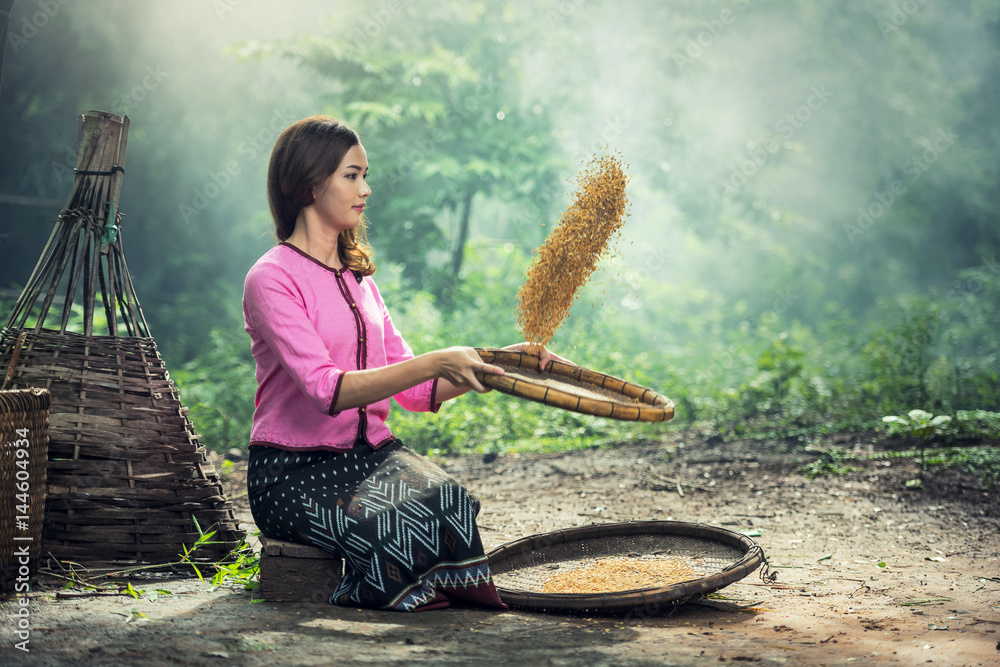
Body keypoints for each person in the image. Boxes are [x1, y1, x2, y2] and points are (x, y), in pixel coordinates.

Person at [243, 115, 563, 611]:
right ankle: (359, 592)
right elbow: (326, 390)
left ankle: (419, 587)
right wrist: (438, 360)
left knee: (452, 502)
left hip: (370, 456)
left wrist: (505, 363)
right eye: (352, 175)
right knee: (393, 523)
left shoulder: (360, 281)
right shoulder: (271, 278)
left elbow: (416, 389)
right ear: (309, 183)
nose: (365, 188)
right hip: (292, 472)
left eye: (364, 175)